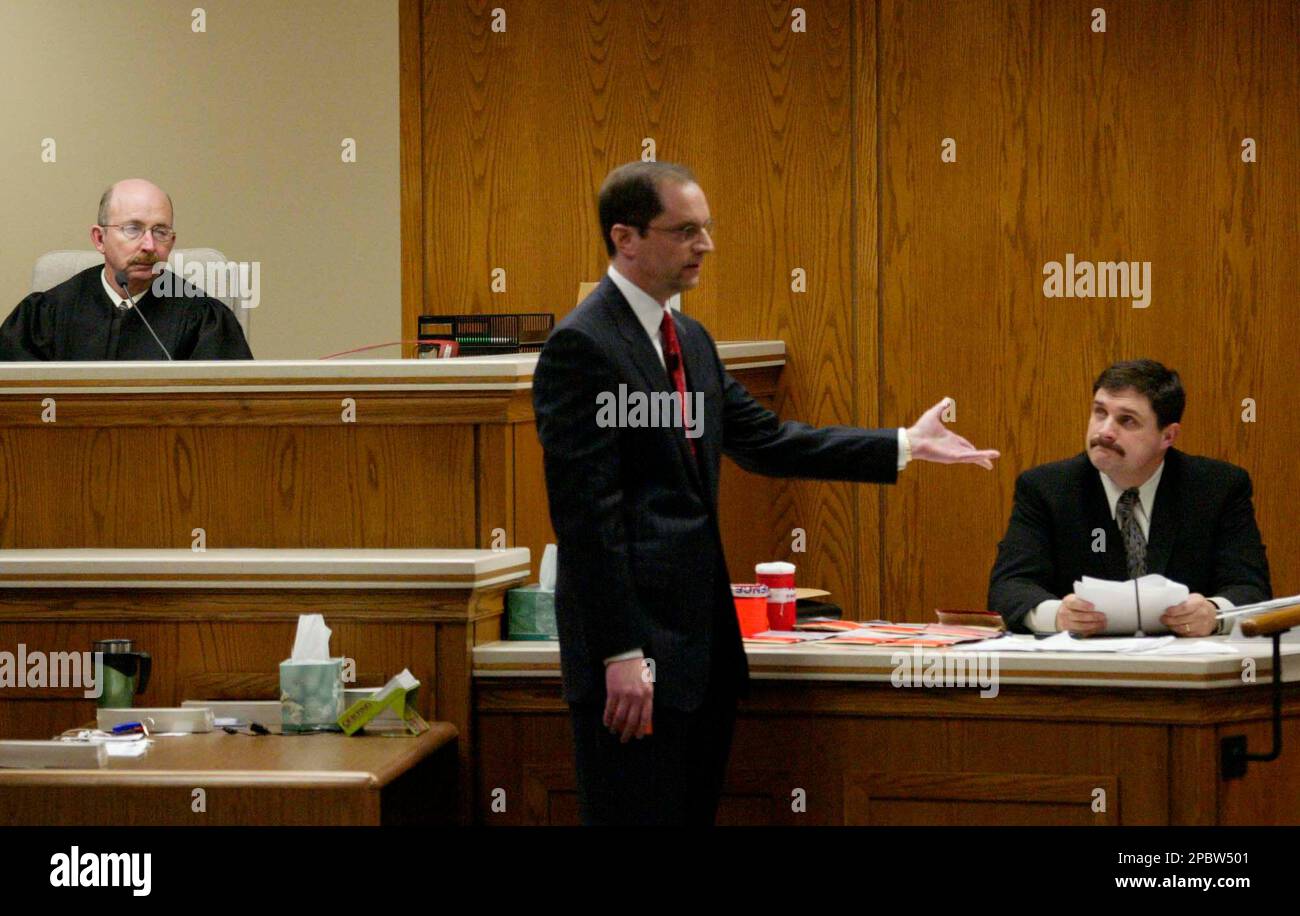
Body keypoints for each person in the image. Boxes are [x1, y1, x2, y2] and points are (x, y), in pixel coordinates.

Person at [532, 161, 1000, 825]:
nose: (706, 246)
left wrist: (901, 443)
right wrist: (621, 651)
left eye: (708, 229)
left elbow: (770, 441)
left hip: (699, 660)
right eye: (685, 230)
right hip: (632, 664)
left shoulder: (689, 340)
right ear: (625, 237)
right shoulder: (583, 347)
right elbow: (588, 520)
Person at [988, 359, 1271, 637]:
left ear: (1168, 436)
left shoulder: (1216, 489)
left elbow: (1251, 588)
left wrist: (1213, 612)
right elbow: (1009, 588)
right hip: (1084, 669)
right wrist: (1057, 615)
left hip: (1186, 671)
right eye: (1100, 413)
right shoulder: (1047, 489)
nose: (1105, 432)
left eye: (1127, 420)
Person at [0, 179, 252, 360]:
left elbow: (225, 417)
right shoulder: (44, 316)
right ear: (99, 239)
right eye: (133, 229)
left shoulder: (204, 319)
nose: (149, 245)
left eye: (160, 232)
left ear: (172, 242)